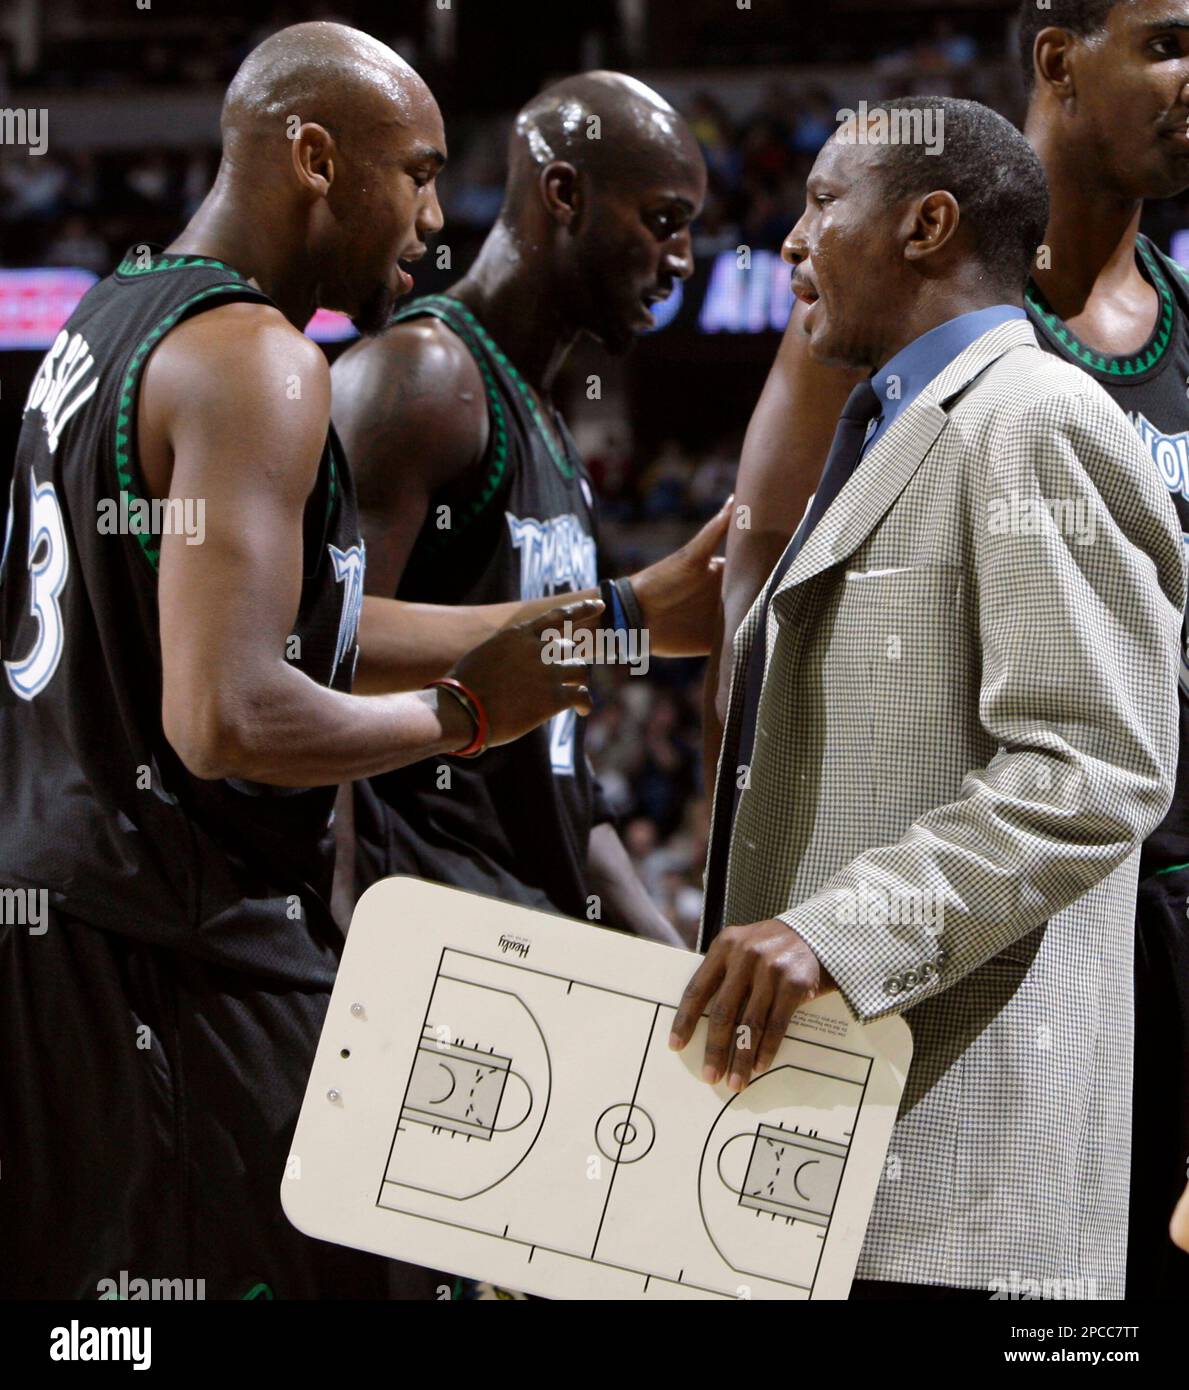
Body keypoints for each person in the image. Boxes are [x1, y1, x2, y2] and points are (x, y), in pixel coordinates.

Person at [0, 22, 600, 1299]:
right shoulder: (259, 362)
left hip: (72, 928)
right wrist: (455, 714)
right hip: (169, 943)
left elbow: (264, 621)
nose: (436, 221)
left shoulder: (115, 316)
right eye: (420, 172)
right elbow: (226, 713)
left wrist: (554, 631)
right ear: (316, 158)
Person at [708, 0, 1189, 1299]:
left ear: (926, 226)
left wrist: (836, 934)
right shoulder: (890, 421)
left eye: (820, 203)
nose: (791, 241)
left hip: (970, 1177)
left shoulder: (1030, 420)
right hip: (856, 1156)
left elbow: (1093, 767)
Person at [332, 72, 721, 948]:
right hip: (419, 939)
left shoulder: (543, 421)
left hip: (525, 940)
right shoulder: (419, 378)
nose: (684, 258)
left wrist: (675, 966)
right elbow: (318, 647)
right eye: (663, 220)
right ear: (565, 195)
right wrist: (343, 951)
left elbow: (560, 793)